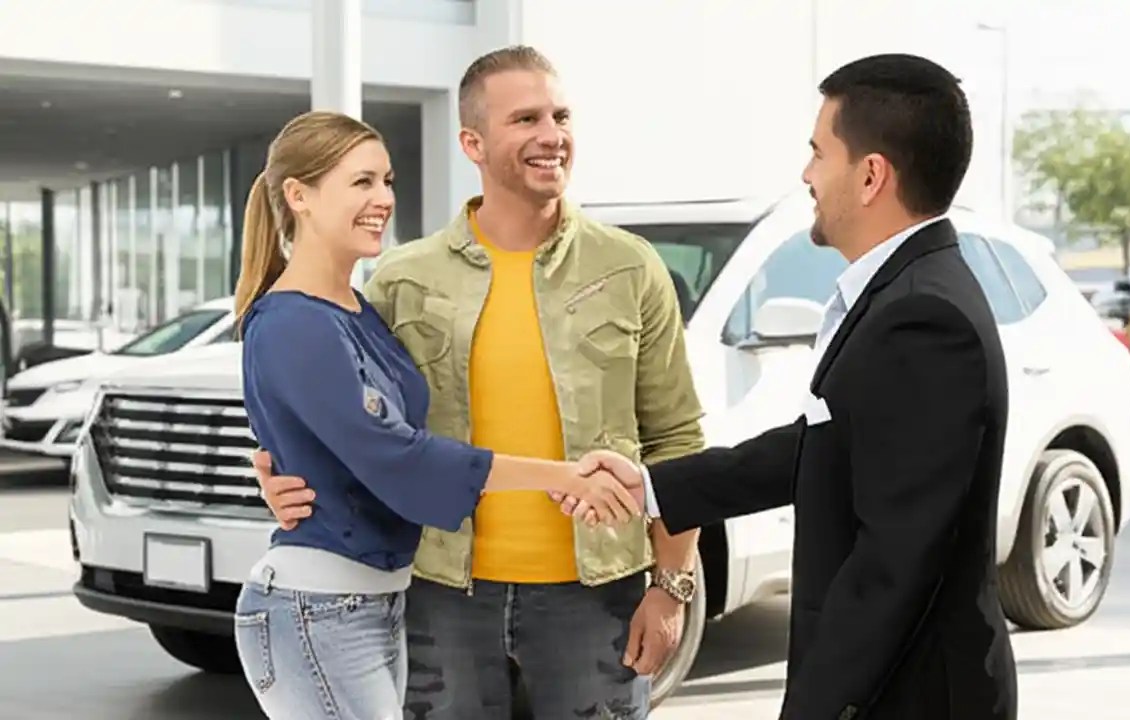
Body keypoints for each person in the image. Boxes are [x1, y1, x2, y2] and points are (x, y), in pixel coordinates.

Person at [252, 46, 706, 719]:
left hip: (595, 595)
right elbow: (343, 415)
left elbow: (677, 438)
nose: (551, 135)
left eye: (560, 116)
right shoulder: (404, 279)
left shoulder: (630, 268)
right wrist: (276, 472)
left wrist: (673, 587)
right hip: (441, 595)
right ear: (473, 143)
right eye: (525, 119)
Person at [576, 54, 1019, 720]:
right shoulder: (902, 294)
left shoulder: (924, 317)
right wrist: (651, 487)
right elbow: (817, 449)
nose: (806, 174)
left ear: (871, 176)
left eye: (818, 153)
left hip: (913, 697)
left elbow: (894, 564)